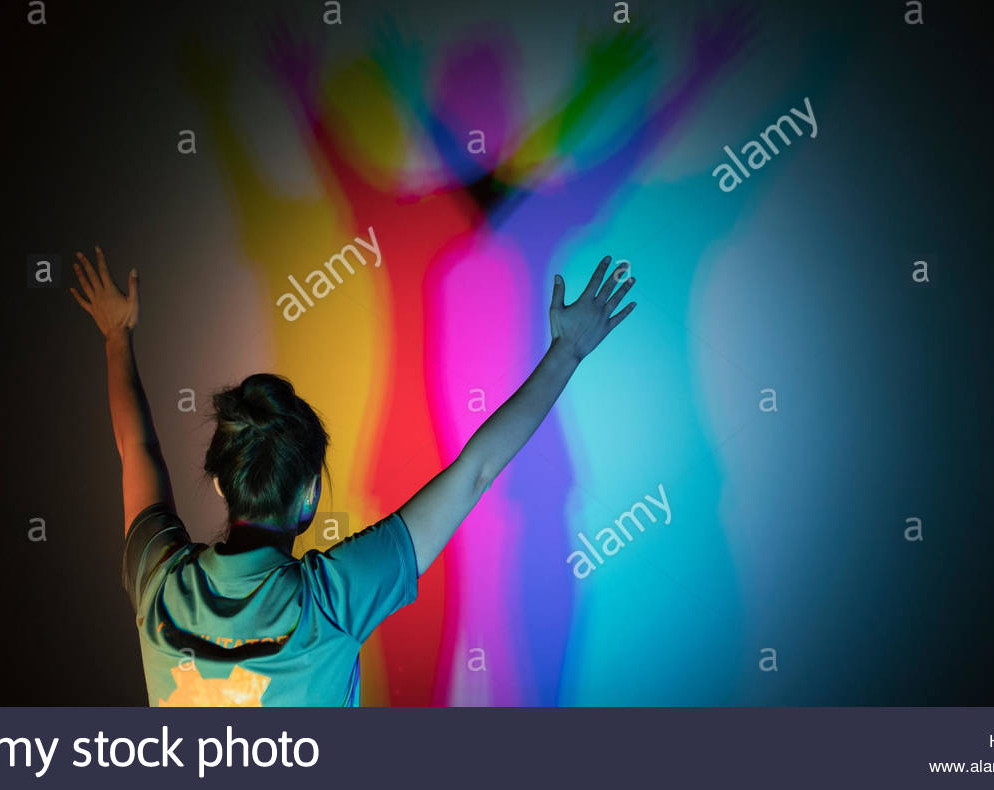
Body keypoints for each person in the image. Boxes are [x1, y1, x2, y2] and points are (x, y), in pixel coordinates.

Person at [70, 245, 637, 706]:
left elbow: (135, 447)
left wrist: (117, 336)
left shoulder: (159, 580)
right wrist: (566, 351)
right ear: (310, 498)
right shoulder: (332, 601)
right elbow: (475, 472)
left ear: (220, 483)